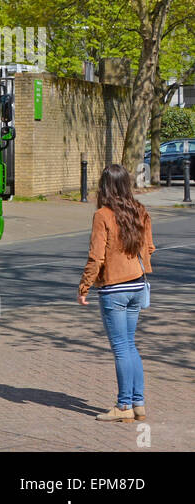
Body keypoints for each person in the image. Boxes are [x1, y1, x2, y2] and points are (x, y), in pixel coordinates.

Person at [78, 164, 156, 423]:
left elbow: (96, 256)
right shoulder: (140, 211)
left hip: (114, 289)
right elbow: (150, 248)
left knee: (121, 348)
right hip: (137, 285)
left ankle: (124, 405)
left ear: (105, 187)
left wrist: (84, 286)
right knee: (131, 346)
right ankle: (138, 403)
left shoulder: (102, 215)